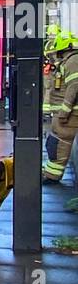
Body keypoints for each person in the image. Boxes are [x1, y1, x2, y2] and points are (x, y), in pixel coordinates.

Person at [42, 30, 78, 184]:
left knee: (59, 142)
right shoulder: (69, 61)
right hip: (64, 113)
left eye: (54, 53)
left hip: (69, 114)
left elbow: (74, 86)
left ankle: (52, 176)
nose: (52, 57)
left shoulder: (72, 61)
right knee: (55, 142)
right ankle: (51, 173)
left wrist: (65, 110)